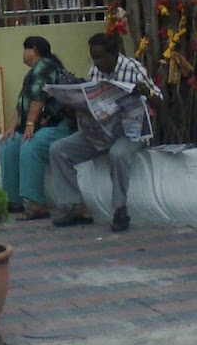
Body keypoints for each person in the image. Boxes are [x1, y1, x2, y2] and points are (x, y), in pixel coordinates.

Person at [47, 32, 162, 234]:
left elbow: (159, 102)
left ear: (114, 54)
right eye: (94, 57)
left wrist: (146, 92)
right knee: (58, 150)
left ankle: (120, 209)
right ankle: (74, 206)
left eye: (100, 57)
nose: (97, 63)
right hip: (101, 130)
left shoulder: (132, 68)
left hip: (131, 131)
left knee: (117, 154)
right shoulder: (95, 71)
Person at [0, 36, 74, 220]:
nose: (23, 55)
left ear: (32, 50)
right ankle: (12, 200)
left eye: (25, 50)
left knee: (30, 146)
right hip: (36, 126)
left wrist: (30, 124)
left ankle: (35, 204)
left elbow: (38, 97)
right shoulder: (31, 73)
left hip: (55, 125)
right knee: (9, 144)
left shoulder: (45, 66)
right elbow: (22, 102)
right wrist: (12, 127)